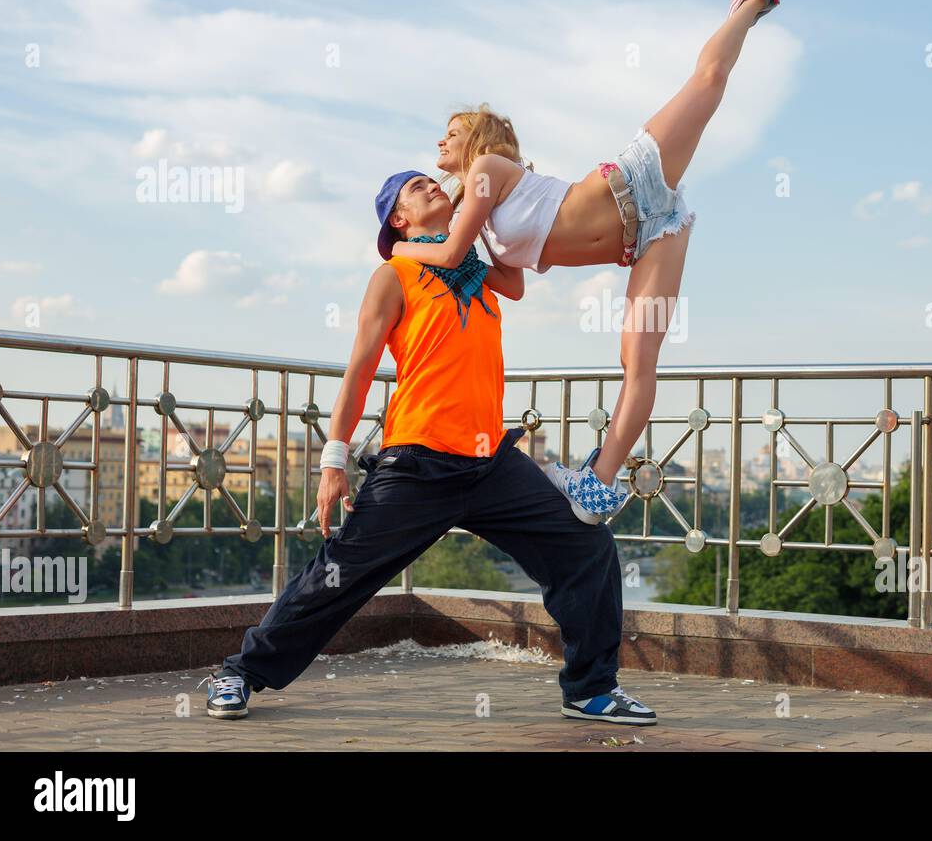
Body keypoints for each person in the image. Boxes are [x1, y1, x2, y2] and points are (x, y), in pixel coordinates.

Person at [203, 170, 656, 726]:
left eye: (433, 181)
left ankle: (590, 690)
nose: (433, 186)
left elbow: (515, 281)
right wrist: (333, 460)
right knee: (337, 575)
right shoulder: (394, 274)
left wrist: (488, 206)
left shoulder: (474, 271)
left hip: (491, 464)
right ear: (398, 219)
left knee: (586, 548)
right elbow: (361, 370)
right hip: (417, 462)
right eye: (417, 188)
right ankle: (239, 673)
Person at [391, 0, 795, 525]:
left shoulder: (485, 174)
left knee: (708, 82)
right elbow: (511, 285)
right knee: (639, 358)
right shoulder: (476, 219)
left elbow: (450, 252)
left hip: (636, 181)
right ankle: (598, 484)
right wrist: (462, 253)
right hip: (655, 233)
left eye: (451, 133)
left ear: (475, 141)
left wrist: (400, 246)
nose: (440, 144)